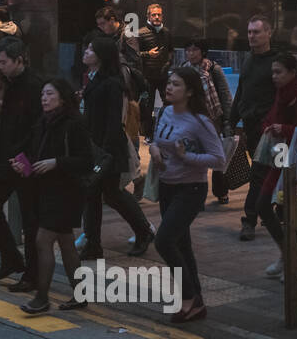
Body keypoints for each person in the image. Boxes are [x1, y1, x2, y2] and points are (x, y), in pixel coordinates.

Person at [149, 67, 227, 322]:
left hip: (190, 188)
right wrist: (154, 150)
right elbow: (156, 141)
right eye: (169, 83)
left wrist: (188, 157)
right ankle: (197, 303)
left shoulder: (200, 121)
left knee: (163, 241)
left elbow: (218, 159)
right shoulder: (165, 111)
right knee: (182, 244)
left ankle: (188, 296)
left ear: (190, 91)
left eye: (177, 85)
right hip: (167, 185)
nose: (169, 88)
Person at [19, 80, 91, 316]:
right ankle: (80, 294)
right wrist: (25, 166)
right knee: (67, 244)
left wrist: (56, 162)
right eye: (42, 93)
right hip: (47, 190)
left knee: (43, 241)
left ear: (63, 97)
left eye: (50, 94)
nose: (44, 98)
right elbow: (37, 154)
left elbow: (86, 161)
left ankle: (41, 298)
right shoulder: (44, 121)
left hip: (67, 191)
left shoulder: (73, 124)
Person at [79, 36, 155, 259]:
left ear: (101, 56)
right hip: (97, 147)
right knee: (100, 195)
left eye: (91, 48)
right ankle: (94, 244)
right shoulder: (95, 79)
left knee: (111, 195)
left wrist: (103, 152)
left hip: (107, 150)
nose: (86, 51)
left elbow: (112, 121)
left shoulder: (111, 83)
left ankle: (142, 232)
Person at [0, 38, 43, 287]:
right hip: (6, 157)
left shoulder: (34, 86)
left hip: (26, 160)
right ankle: (11, 258)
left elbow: (35, 125)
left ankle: (32, 274)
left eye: (4, 62)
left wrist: (25, 158)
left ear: (19, 60)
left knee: (30, 219)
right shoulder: (8, 82)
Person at [254, 53, 297, 278]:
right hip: (281, 154)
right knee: (265, 204)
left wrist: (284, 129)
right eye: (273, 72)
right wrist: (269, 126)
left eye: (279, 72)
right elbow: (271, 117)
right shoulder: (281, 94)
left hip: (296, 158)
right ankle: (287, 254)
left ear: (292, 72)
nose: (274, 76)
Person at [227, 14, 280, 242]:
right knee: (266, 173)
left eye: (256, 32)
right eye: (249, 32)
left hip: (273, 132)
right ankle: (272, 213)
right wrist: (231, 119)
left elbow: (283, 96)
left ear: (269, 33)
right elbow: (242, 91)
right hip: (253, 129)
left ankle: (250, 218)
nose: (251, 36)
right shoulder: (249, 60)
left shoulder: (276, 62)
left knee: (266, 172)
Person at [184, 39, 232, 203]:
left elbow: (225, 96)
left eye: (195, 50)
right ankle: (195, 193)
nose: (191, 53)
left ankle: (221, 191)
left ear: (203, 52)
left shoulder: (213, 69)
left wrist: (227, 120)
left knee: (216, 155)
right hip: (190, 118)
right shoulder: (184, 69)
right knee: (194, 156)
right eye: (188, 50)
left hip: (212, 118)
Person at [136, 2, 173, 138]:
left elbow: (170, 50)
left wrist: (168, 62)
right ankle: (149, 135)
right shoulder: (141, 33)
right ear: (148, 16)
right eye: (154, 15)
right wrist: (148, 54)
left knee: (169, 104)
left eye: (159, 14)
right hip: (147, 76)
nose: (157, 17)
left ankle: (166, 132)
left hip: (163, 75)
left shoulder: (166, 32)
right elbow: (134, 54)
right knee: (147, 107)